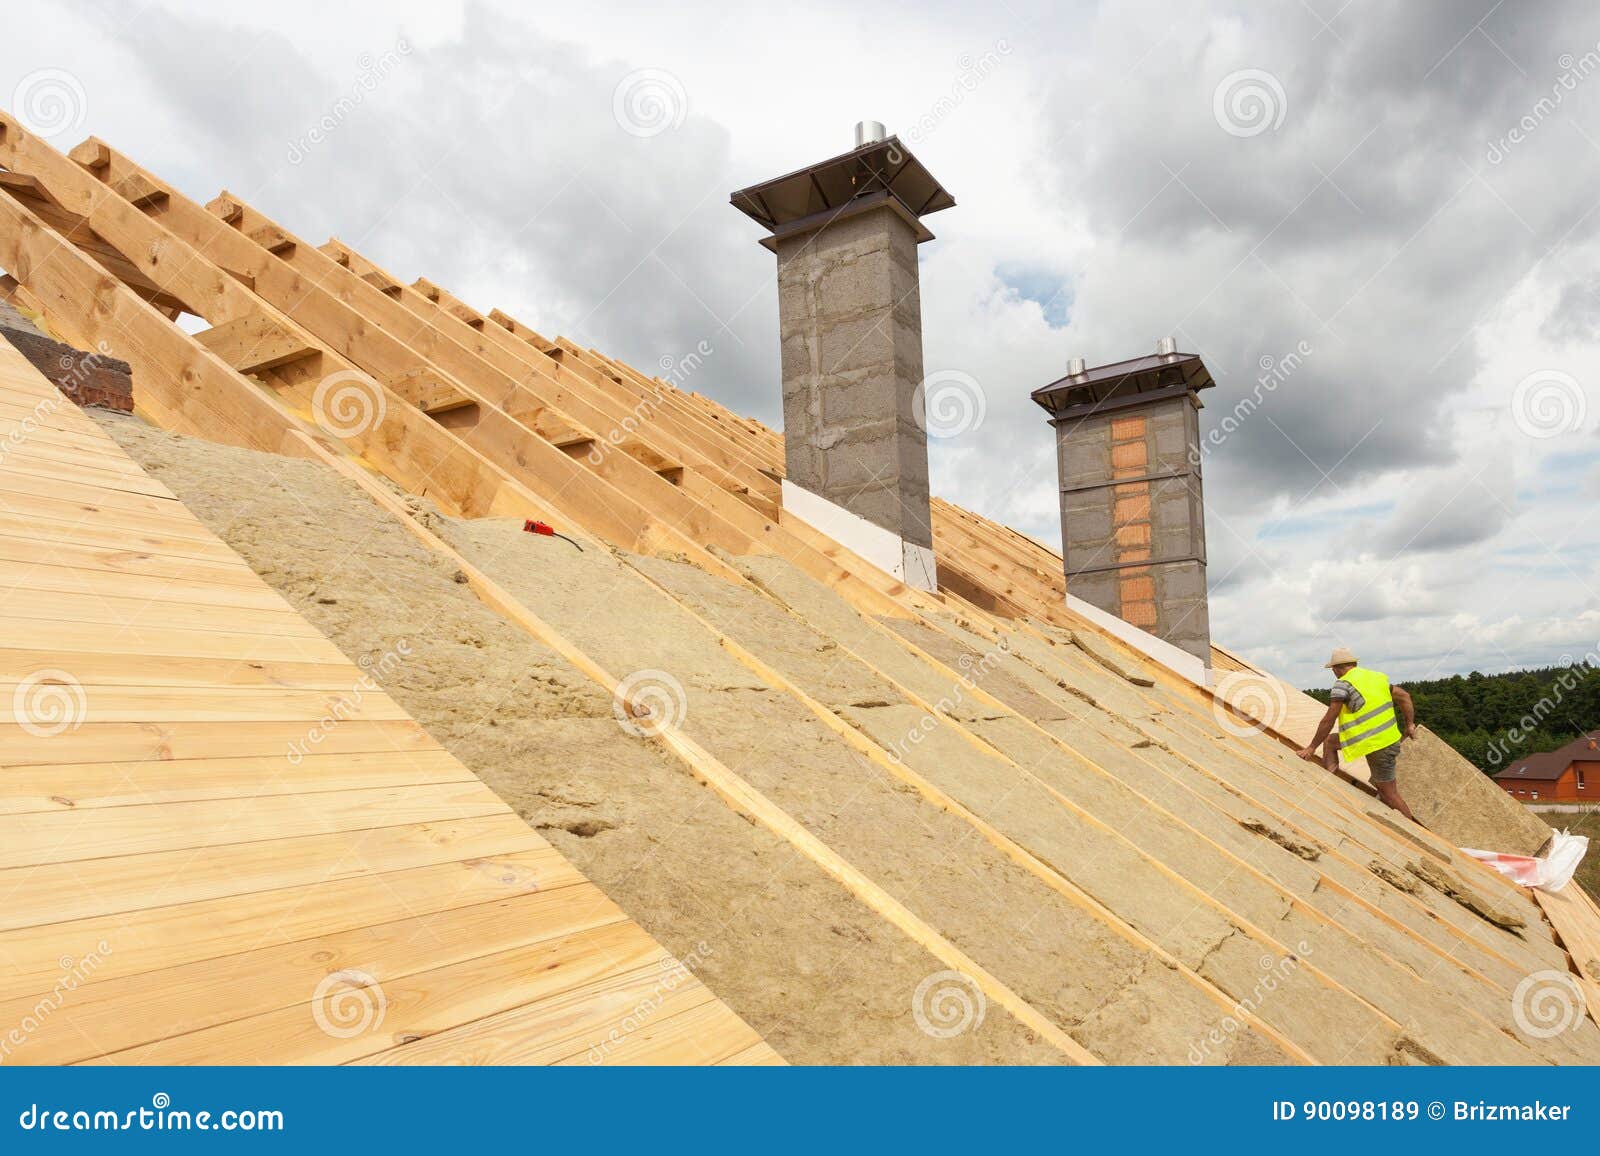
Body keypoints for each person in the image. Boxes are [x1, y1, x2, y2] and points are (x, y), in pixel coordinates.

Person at [1296, 647, 1418, 822]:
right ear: (1354, 664)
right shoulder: (1377, 677)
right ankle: (1329, 784)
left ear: (1336, 669)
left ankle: (1413, 832)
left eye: (1333, 670)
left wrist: (1311, 748)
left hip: (1376, 744)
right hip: (1387, 739)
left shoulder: (1343, 684)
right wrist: (1409, 725)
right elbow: (1405, 696)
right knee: (1331, 742)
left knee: (1388, 793)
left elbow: (1328, 720)